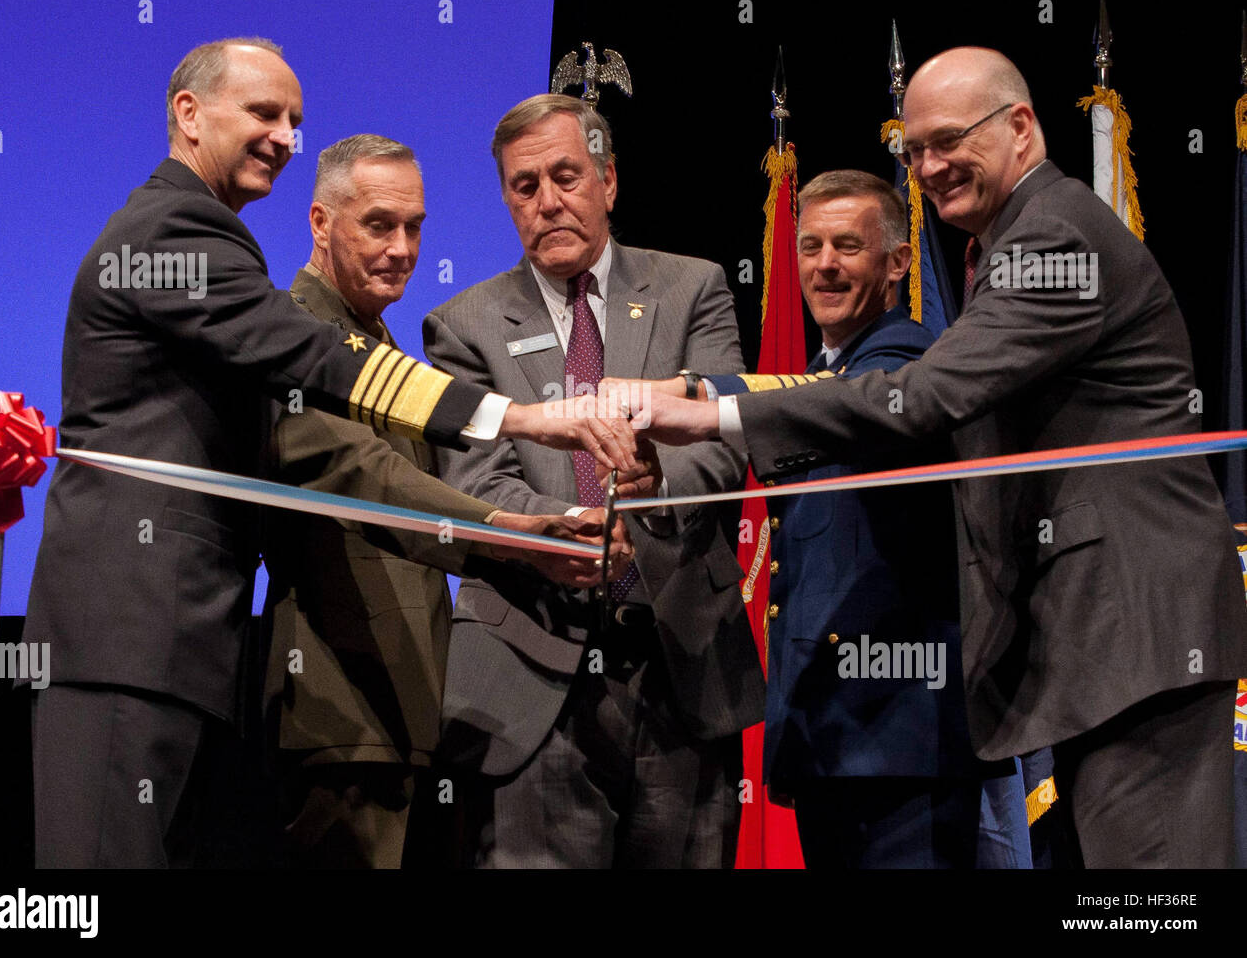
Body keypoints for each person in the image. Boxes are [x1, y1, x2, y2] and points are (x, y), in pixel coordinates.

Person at [601, 48, 1247, 868]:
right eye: (915, 151)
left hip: (1135, 629)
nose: (931, 167)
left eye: (949, 140)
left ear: (1020, 126)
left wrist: (709, 410)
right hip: (1101, 642)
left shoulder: (1054, 233)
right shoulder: (1009, 240)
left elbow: (924, 396)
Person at [23, 39, 627, 868]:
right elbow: (336, 413)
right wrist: (515, 420)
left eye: (294, 121)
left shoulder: (216, 242)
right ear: (188, 115)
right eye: (263, 113)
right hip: (136, 637)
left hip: (186, 644)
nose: (283, 136)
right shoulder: (175, 229)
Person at [422, 94, 764, 868]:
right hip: (531, 669)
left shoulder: (695, 288)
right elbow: (479, 481)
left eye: (566, 176)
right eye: (524, 185)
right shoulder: (463, 325)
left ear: (608, 182)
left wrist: (646, 489)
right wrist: (579, 527)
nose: (547, 201)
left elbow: (720, 439)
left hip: (681, 667)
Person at [261, 134, 616, 868]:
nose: (402, 247)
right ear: (321, 224)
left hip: (405, 711)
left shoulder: (378, 345)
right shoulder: (293, 338)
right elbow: (372, 481)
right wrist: (511, 529)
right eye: (379, 225)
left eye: (415, 227)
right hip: (338, 710)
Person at [705, 168, 1015, 867]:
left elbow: (850, 407)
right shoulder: (822, 378)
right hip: (835, 744)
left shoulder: (908, 360)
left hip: (904, 746)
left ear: (899, 262)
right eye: (810, 246)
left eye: (848, 245)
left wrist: (694, 399)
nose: (824, 265)